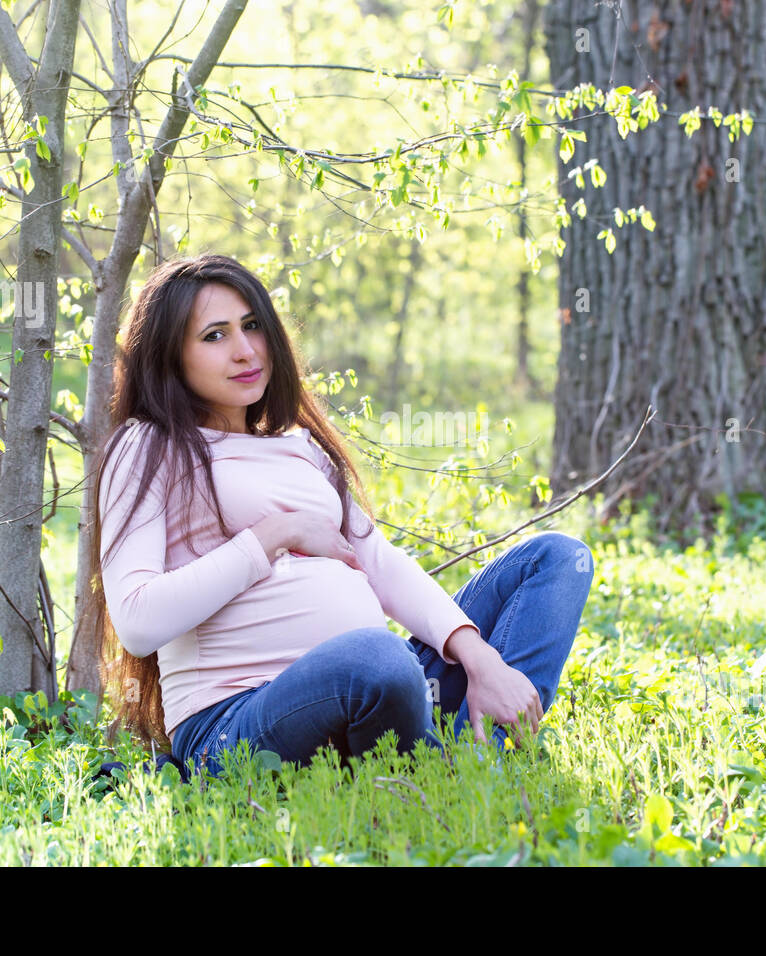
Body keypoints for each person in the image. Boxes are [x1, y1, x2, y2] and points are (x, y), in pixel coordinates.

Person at [90, 253, 594, 782]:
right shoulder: (150, 446)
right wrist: (273, 535)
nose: (244, 350)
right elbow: (138, 622)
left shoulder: (299, 447)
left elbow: (379, 563)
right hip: (238, 724)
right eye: (214, 336)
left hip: (383, 693)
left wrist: (481, 661)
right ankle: (449, 772)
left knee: (557, 560)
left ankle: (474, 759)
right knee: (377, 660)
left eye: (252, 326)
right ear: (170, 356)